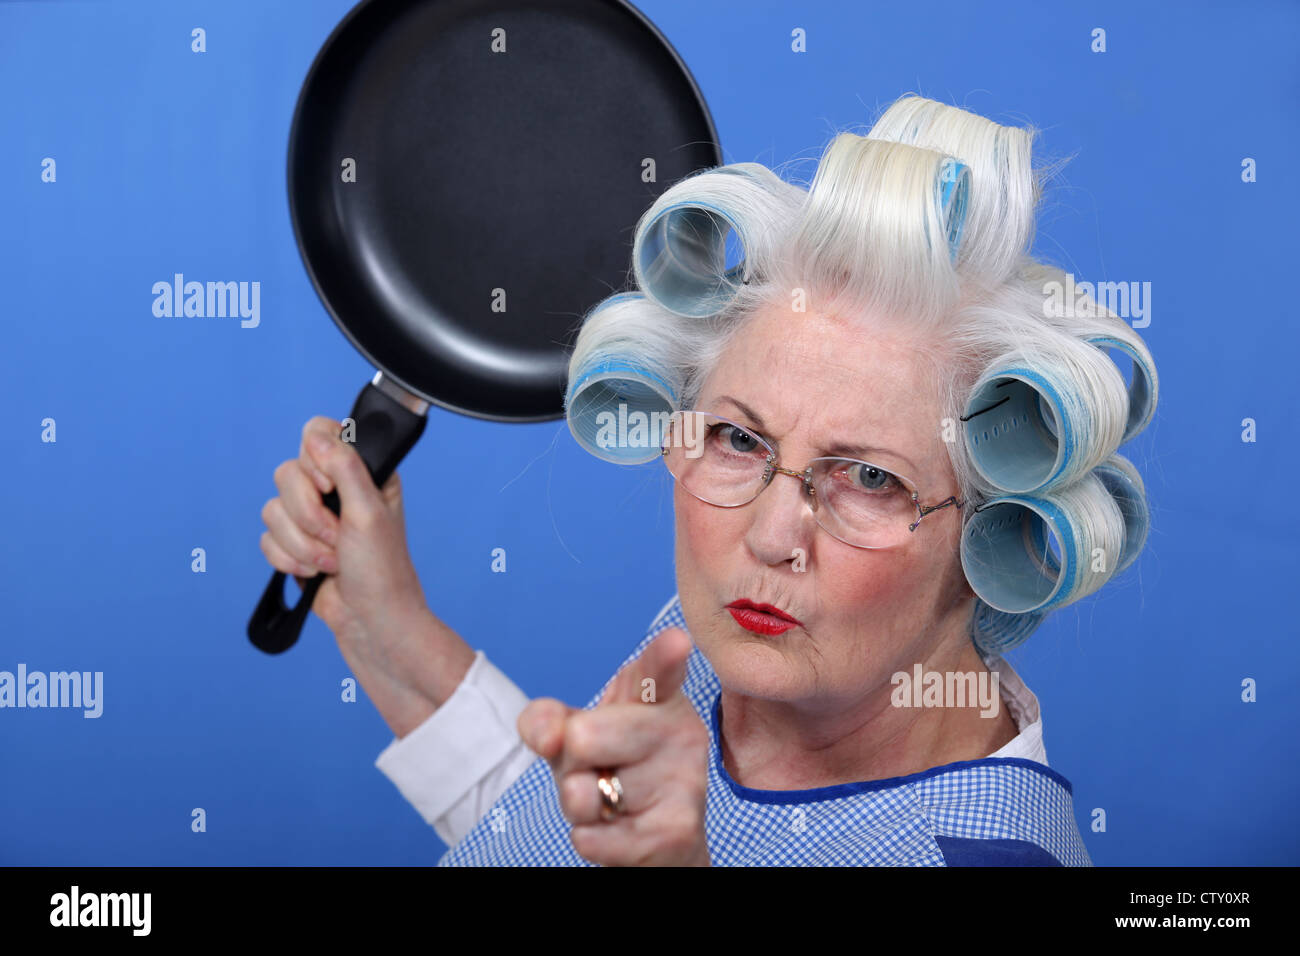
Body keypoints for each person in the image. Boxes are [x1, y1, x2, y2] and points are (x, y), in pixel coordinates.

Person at [259, 94, 1156, 866]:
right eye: (736, 437)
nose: (771, 536)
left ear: (987, 536)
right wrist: (387, 629)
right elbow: (543, 829)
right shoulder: (746, 649)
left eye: (871, 480)